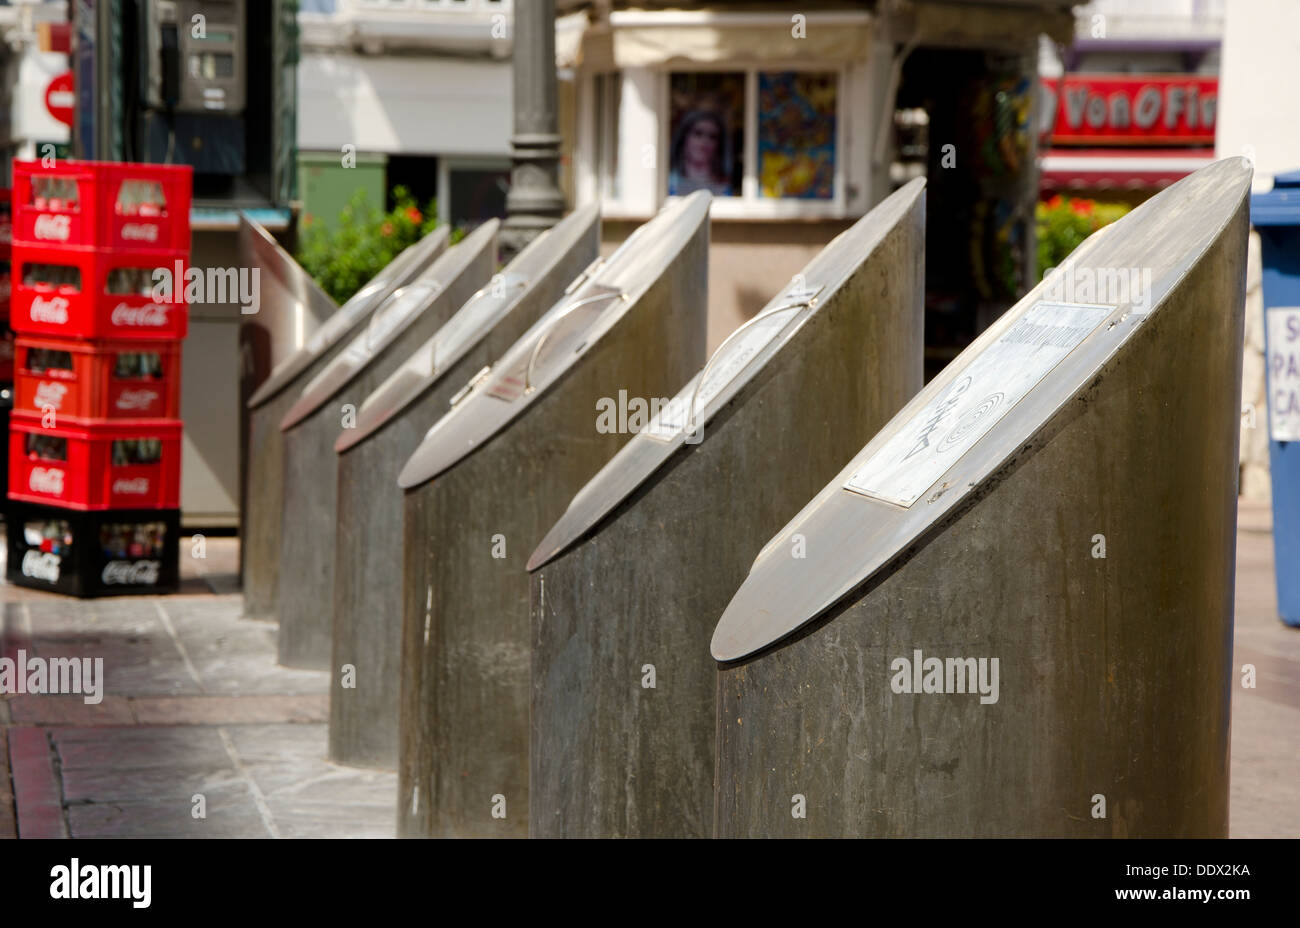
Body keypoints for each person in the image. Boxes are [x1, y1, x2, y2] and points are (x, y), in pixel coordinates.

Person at [669, 109, 733, 196]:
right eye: (698, 133)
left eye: (712, 137)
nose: (705, 141)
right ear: (684, 138)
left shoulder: (724, 186)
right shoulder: (669, 183)